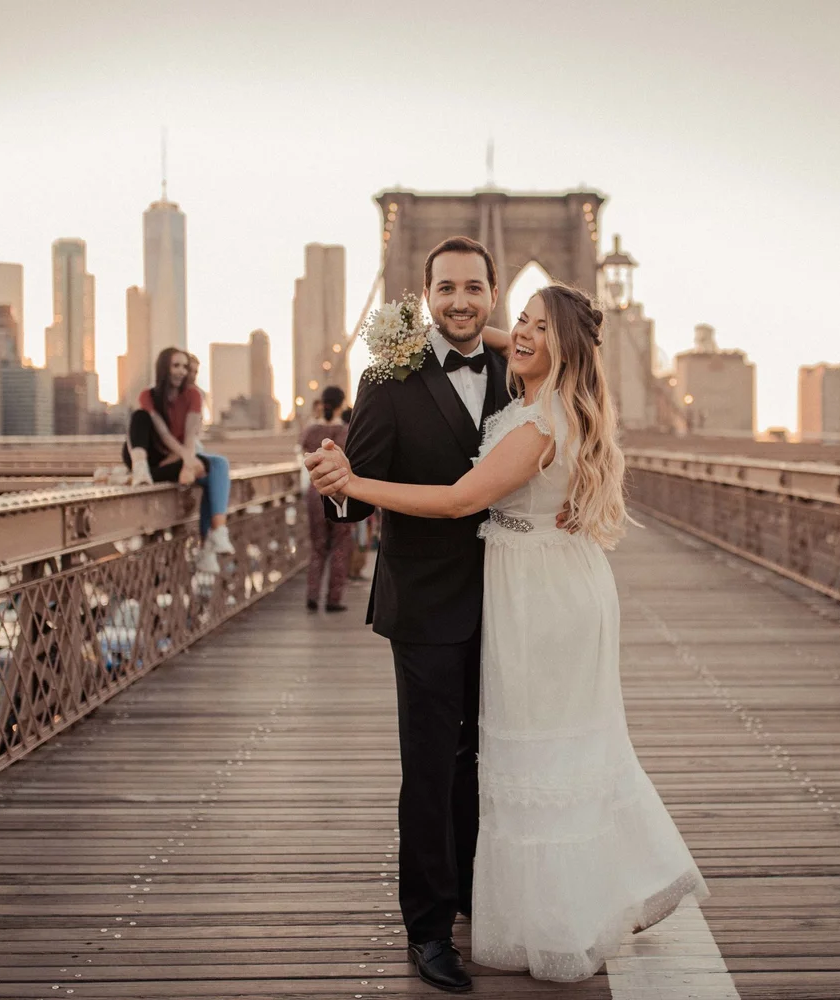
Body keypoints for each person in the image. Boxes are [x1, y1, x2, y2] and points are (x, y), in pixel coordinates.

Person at [309, 279, 706, 986]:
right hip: (544, 584)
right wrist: (451, 327)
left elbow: (462, 499)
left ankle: (562, 918)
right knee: (561, 752)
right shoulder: (545, 388)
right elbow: (496, 337)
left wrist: (354, 482)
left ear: (567, 346)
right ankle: (582, 898)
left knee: (539, 759)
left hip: (542, 601)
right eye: (516, 319)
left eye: (535, 326)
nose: (516, 333)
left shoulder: (539, 422)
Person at [311, 236, 510, 993]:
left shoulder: (520, 371)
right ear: (425, 295)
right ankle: (428, 930)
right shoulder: (386, 379)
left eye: (473, 288)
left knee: (487, 760)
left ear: (493, 296)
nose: (459, 300)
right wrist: (335, 481)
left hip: (512, 599)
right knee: (428, 767)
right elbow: (353, 497)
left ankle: (476, 897)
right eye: (446, 288)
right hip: (424, 600)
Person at [125, 346, 235, 574]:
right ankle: (139, 469)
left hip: (175, 456)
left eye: (185, 367)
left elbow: (190, 436)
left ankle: (214, 536)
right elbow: (163, 434)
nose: (182, 371)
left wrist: (187, 463)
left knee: (216, 468)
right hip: (150, 453)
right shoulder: (148, 395)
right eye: (177, 366)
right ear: (164, 367)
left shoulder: (194, 395)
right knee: (139, 416)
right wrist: (188, 462)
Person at [300, 386, 352, 612]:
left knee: (317, 546)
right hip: (340, 491)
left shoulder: (310, 431)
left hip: (315, 490)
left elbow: (302, 457)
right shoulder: (348, 431)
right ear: (342, 404)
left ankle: (312, 594)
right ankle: (334, 599)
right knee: (341, 545)